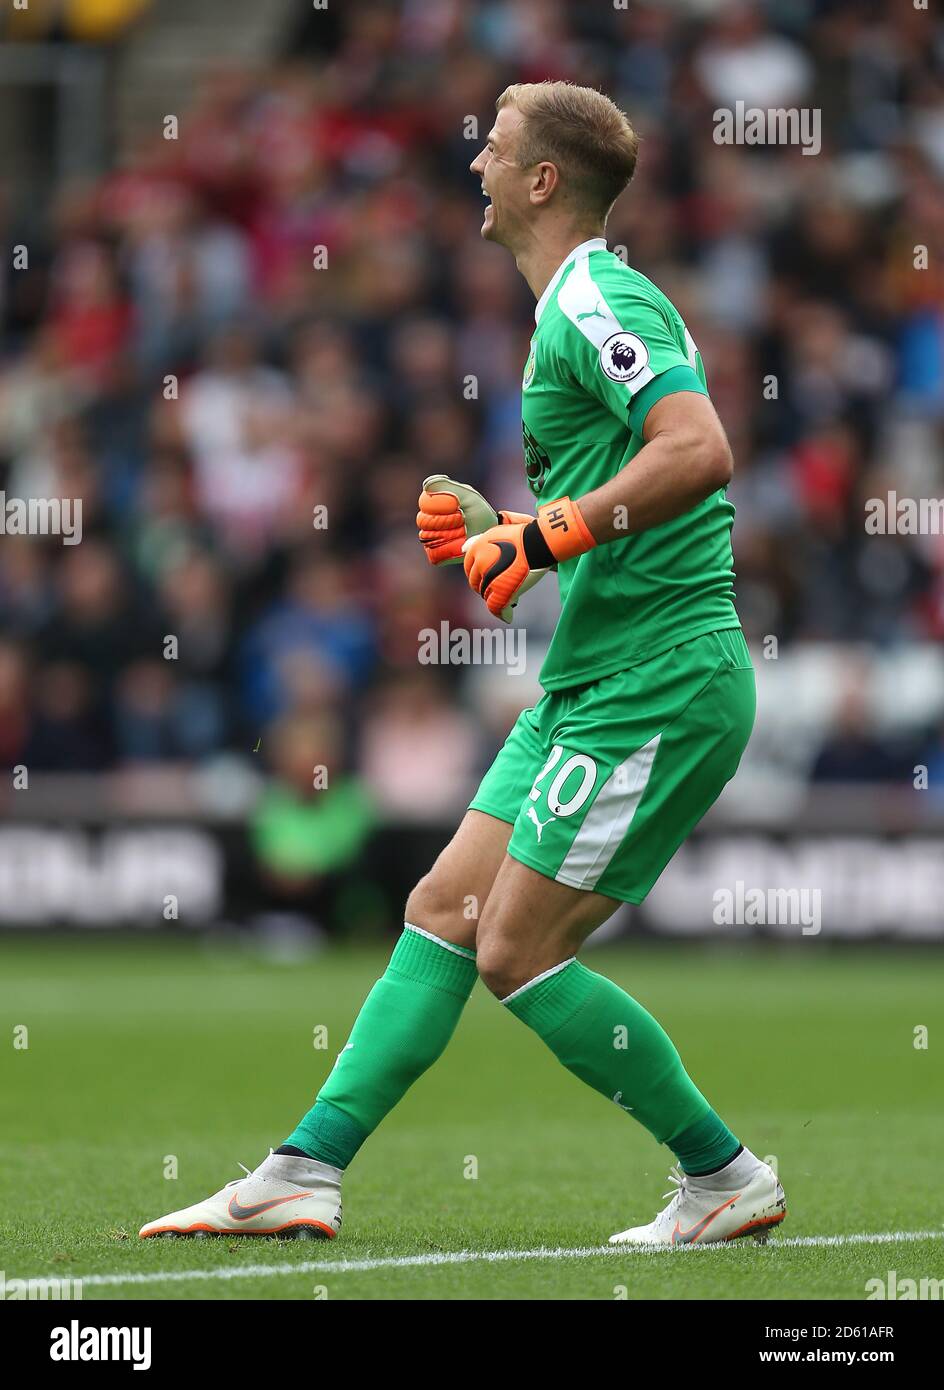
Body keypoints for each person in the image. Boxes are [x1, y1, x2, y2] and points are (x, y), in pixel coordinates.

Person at [141, 81, 786, 1247]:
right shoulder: (570, 312)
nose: (473, 167)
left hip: (657, 677)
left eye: (492, 150)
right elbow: (622, 500)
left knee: (513, 948)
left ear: (543, 180)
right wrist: (510, 529)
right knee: (442, 906)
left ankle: (722, 1174)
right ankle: (302, 1169)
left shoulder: (593, 293)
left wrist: (541, 533)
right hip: (594, 673)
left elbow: (697, 449)